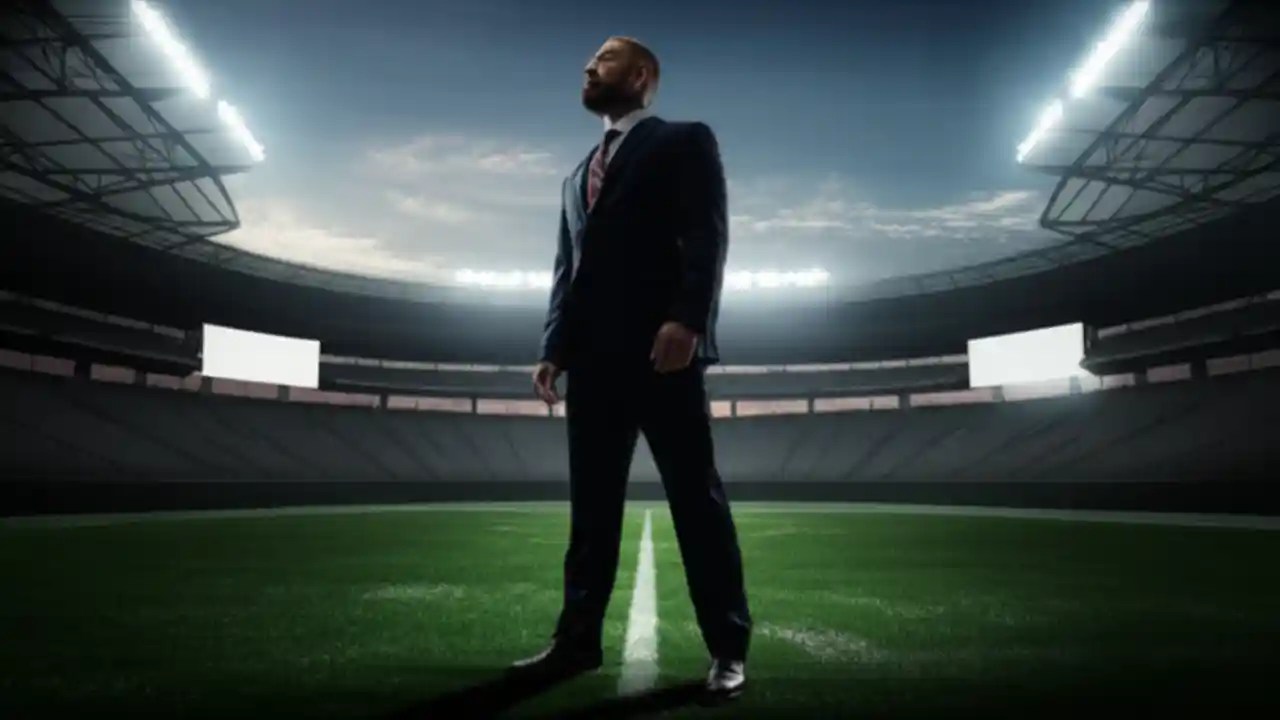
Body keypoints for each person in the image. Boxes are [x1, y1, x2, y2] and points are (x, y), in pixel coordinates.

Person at [515, 35, 752, 699]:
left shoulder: (684, 140)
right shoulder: (573, 177)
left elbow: (708, 232)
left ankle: (728, 648)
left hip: (662, 355)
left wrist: (688, 318)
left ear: (642, 74)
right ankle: (576, 643)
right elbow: (568, 272)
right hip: (591, 364)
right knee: (590, 515)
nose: (589, 65)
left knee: (695, 504)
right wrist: (553, 347)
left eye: (605, 57)